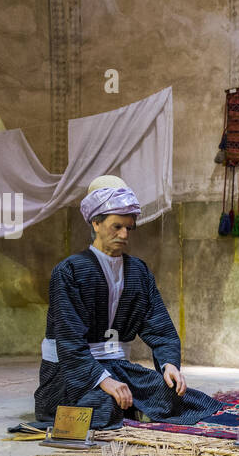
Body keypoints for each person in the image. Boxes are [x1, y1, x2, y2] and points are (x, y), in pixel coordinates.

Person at [33, 177, 221, 428]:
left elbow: (159, 327)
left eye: (129, 228)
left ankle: (131, 405)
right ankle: (117, 406)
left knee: (179, 397)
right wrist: (103, 380)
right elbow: (69, 341)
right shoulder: (69, 271)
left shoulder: (138, 271)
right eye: (116, 226)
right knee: (105, 404)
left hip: (116, 366)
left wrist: (169, 365)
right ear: (96, 223)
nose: (124, 234)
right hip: (71, 372)